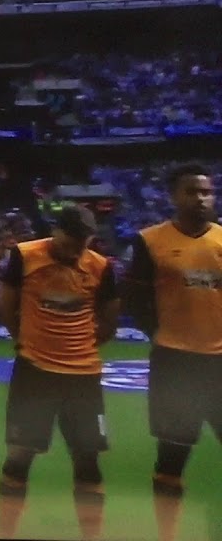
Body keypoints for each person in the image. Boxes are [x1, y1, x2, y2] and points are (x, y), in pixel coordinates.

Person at [0, 204, 119, 540]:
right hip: (35, 371)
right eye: (70, 241)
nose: (76, 249)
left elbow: (109, 318)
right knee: (20, 456)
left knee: (88, 460)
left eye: (83, 242)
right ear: (56, 230)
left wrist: (85, 345)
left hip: (83, 377)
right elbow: (6, 302)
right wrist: (23, 338)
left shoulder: (100, 266)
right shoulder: (25, 255)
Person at [122, 164, 222, 541]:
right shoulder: (149, 241)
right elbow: (134, 296)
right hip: (175, 363)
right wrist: (160, 333)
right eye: (191, 192)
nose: (200, 199)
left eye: (206, 192)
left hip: (220, 362)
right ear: (173, 196)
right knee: (171, 458)